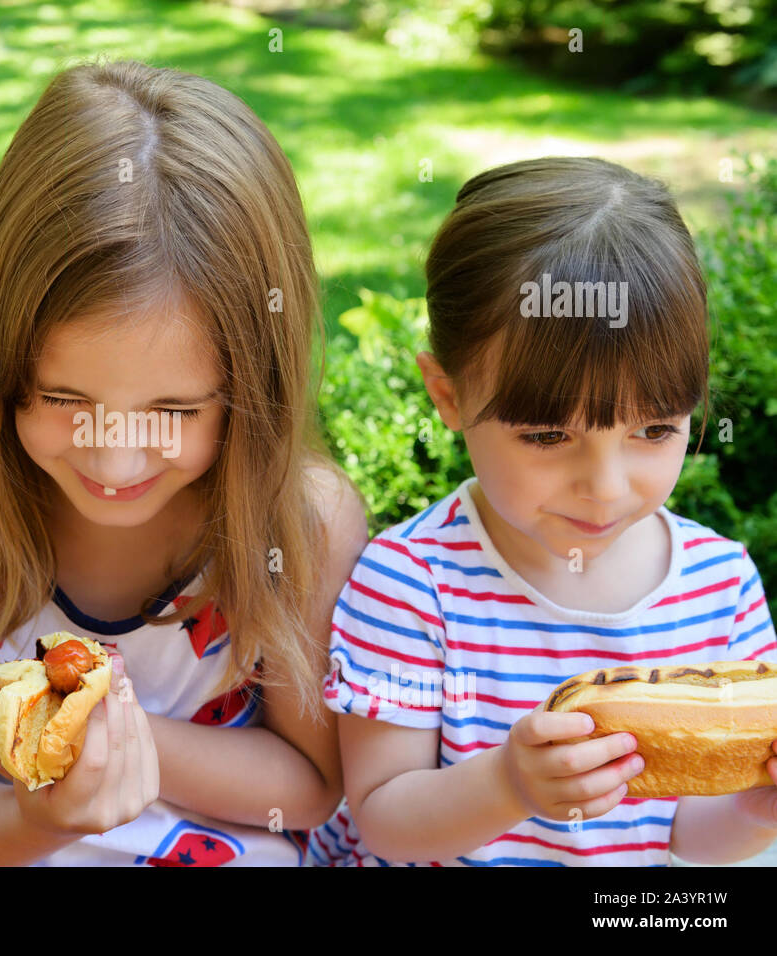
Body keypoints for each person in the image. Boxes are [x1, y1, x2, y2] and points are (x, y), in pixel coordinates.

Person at [0, 59, 369, 866]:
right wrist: (44, 817)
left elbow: (305, 784)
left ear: (251, 386)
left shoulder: (301, 522)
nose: (116, 457)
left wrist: (93, 735)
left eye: (172, 412)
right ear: (2, 363)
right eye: (64, 398)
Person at [312, 156, 777, 866]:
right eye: (548, 436)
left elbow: (685, 833)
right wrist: (507, 784)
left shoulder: (721, 585)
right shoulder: (412, 583)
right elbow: (384, 819)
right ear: (449, 396)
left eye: (654, 431)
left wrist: (756, 809)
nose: (607, 486)